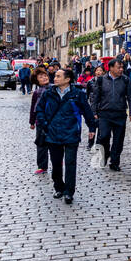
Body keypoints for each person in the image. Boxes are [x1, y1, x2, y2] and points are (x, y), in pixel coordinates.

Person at [34, 68, 96, 204]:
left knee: (70, 163)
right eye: (55, 76)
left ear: (67, 79)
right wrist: (44, 124)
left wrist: (92, 127)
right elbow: (39, 109)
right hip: (53, 133)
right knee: (56, 164)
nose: (54, 78)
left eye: (58, 76)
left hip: (71, 133)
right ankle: (59, 187)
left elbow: (87, 111)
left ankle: (69, 192)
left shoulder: (77, 94)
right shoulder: (48, 93)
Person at [88, 57, 131, 171]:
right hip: (104, 114)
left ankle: (115, 162)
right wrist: (94, 112)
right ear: (110, 68)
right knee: (104, 136)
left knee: (118, 140)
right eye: (118, 67)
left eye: (122, 67)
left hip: (119, 114)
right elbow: (95, 97)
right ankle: (106, 153)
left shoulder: (125, 80)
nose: (121, 69)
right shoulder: (101, 80)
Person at [28, 68, 52, 175]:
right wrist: (32, 122)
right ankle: (42, 166)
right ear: (37, 80)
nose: (44, 78)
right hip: (41, 122)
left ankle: (58, 161)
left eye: (45, 75)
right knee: (41, 144)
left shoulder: (54, 88)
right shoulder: (37, 92)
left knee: (55, 143)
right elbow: (33, 107)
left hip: (54, 121)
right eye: (41, 77)